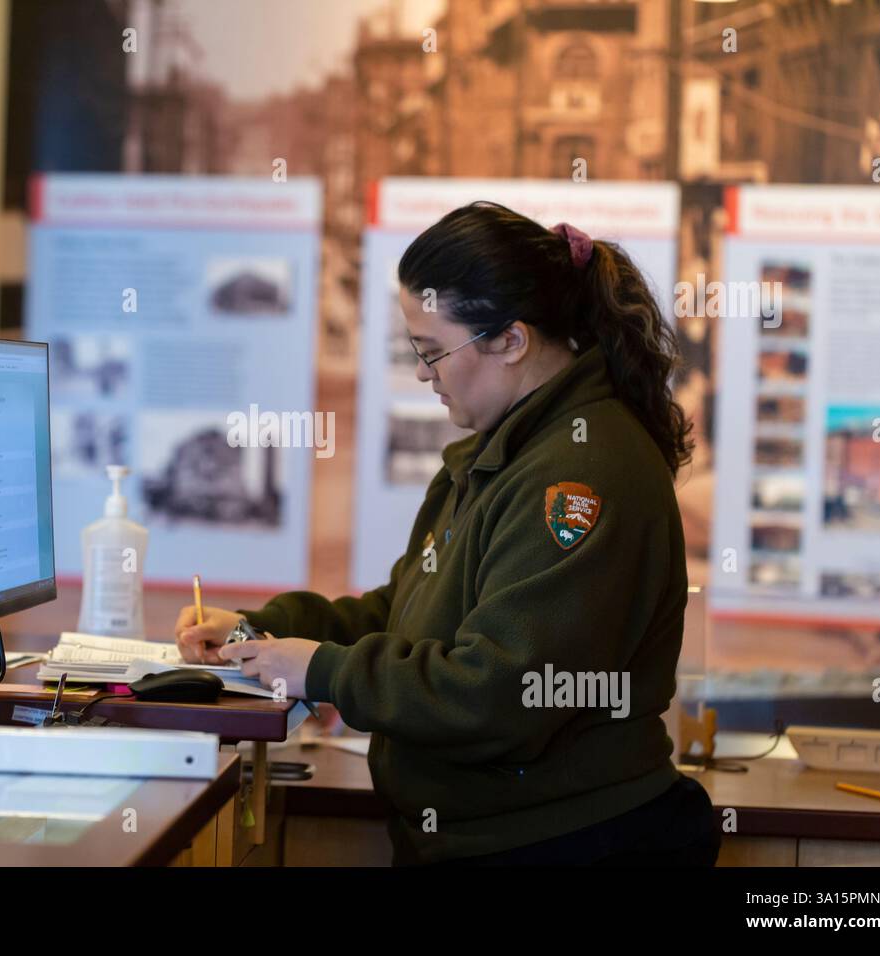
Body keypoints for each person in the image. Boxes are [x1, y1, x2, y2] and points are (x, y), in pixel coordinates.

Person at [175, 201, 721, 867]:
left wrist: (321, 669)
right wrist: (262, 633)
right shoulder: (505, 454)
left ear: (511, 340)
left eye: (433, 351)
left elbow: (497, 695)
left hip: (560, 846)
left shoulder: (580, 477)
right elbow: (403, 616)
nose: (422, 373)